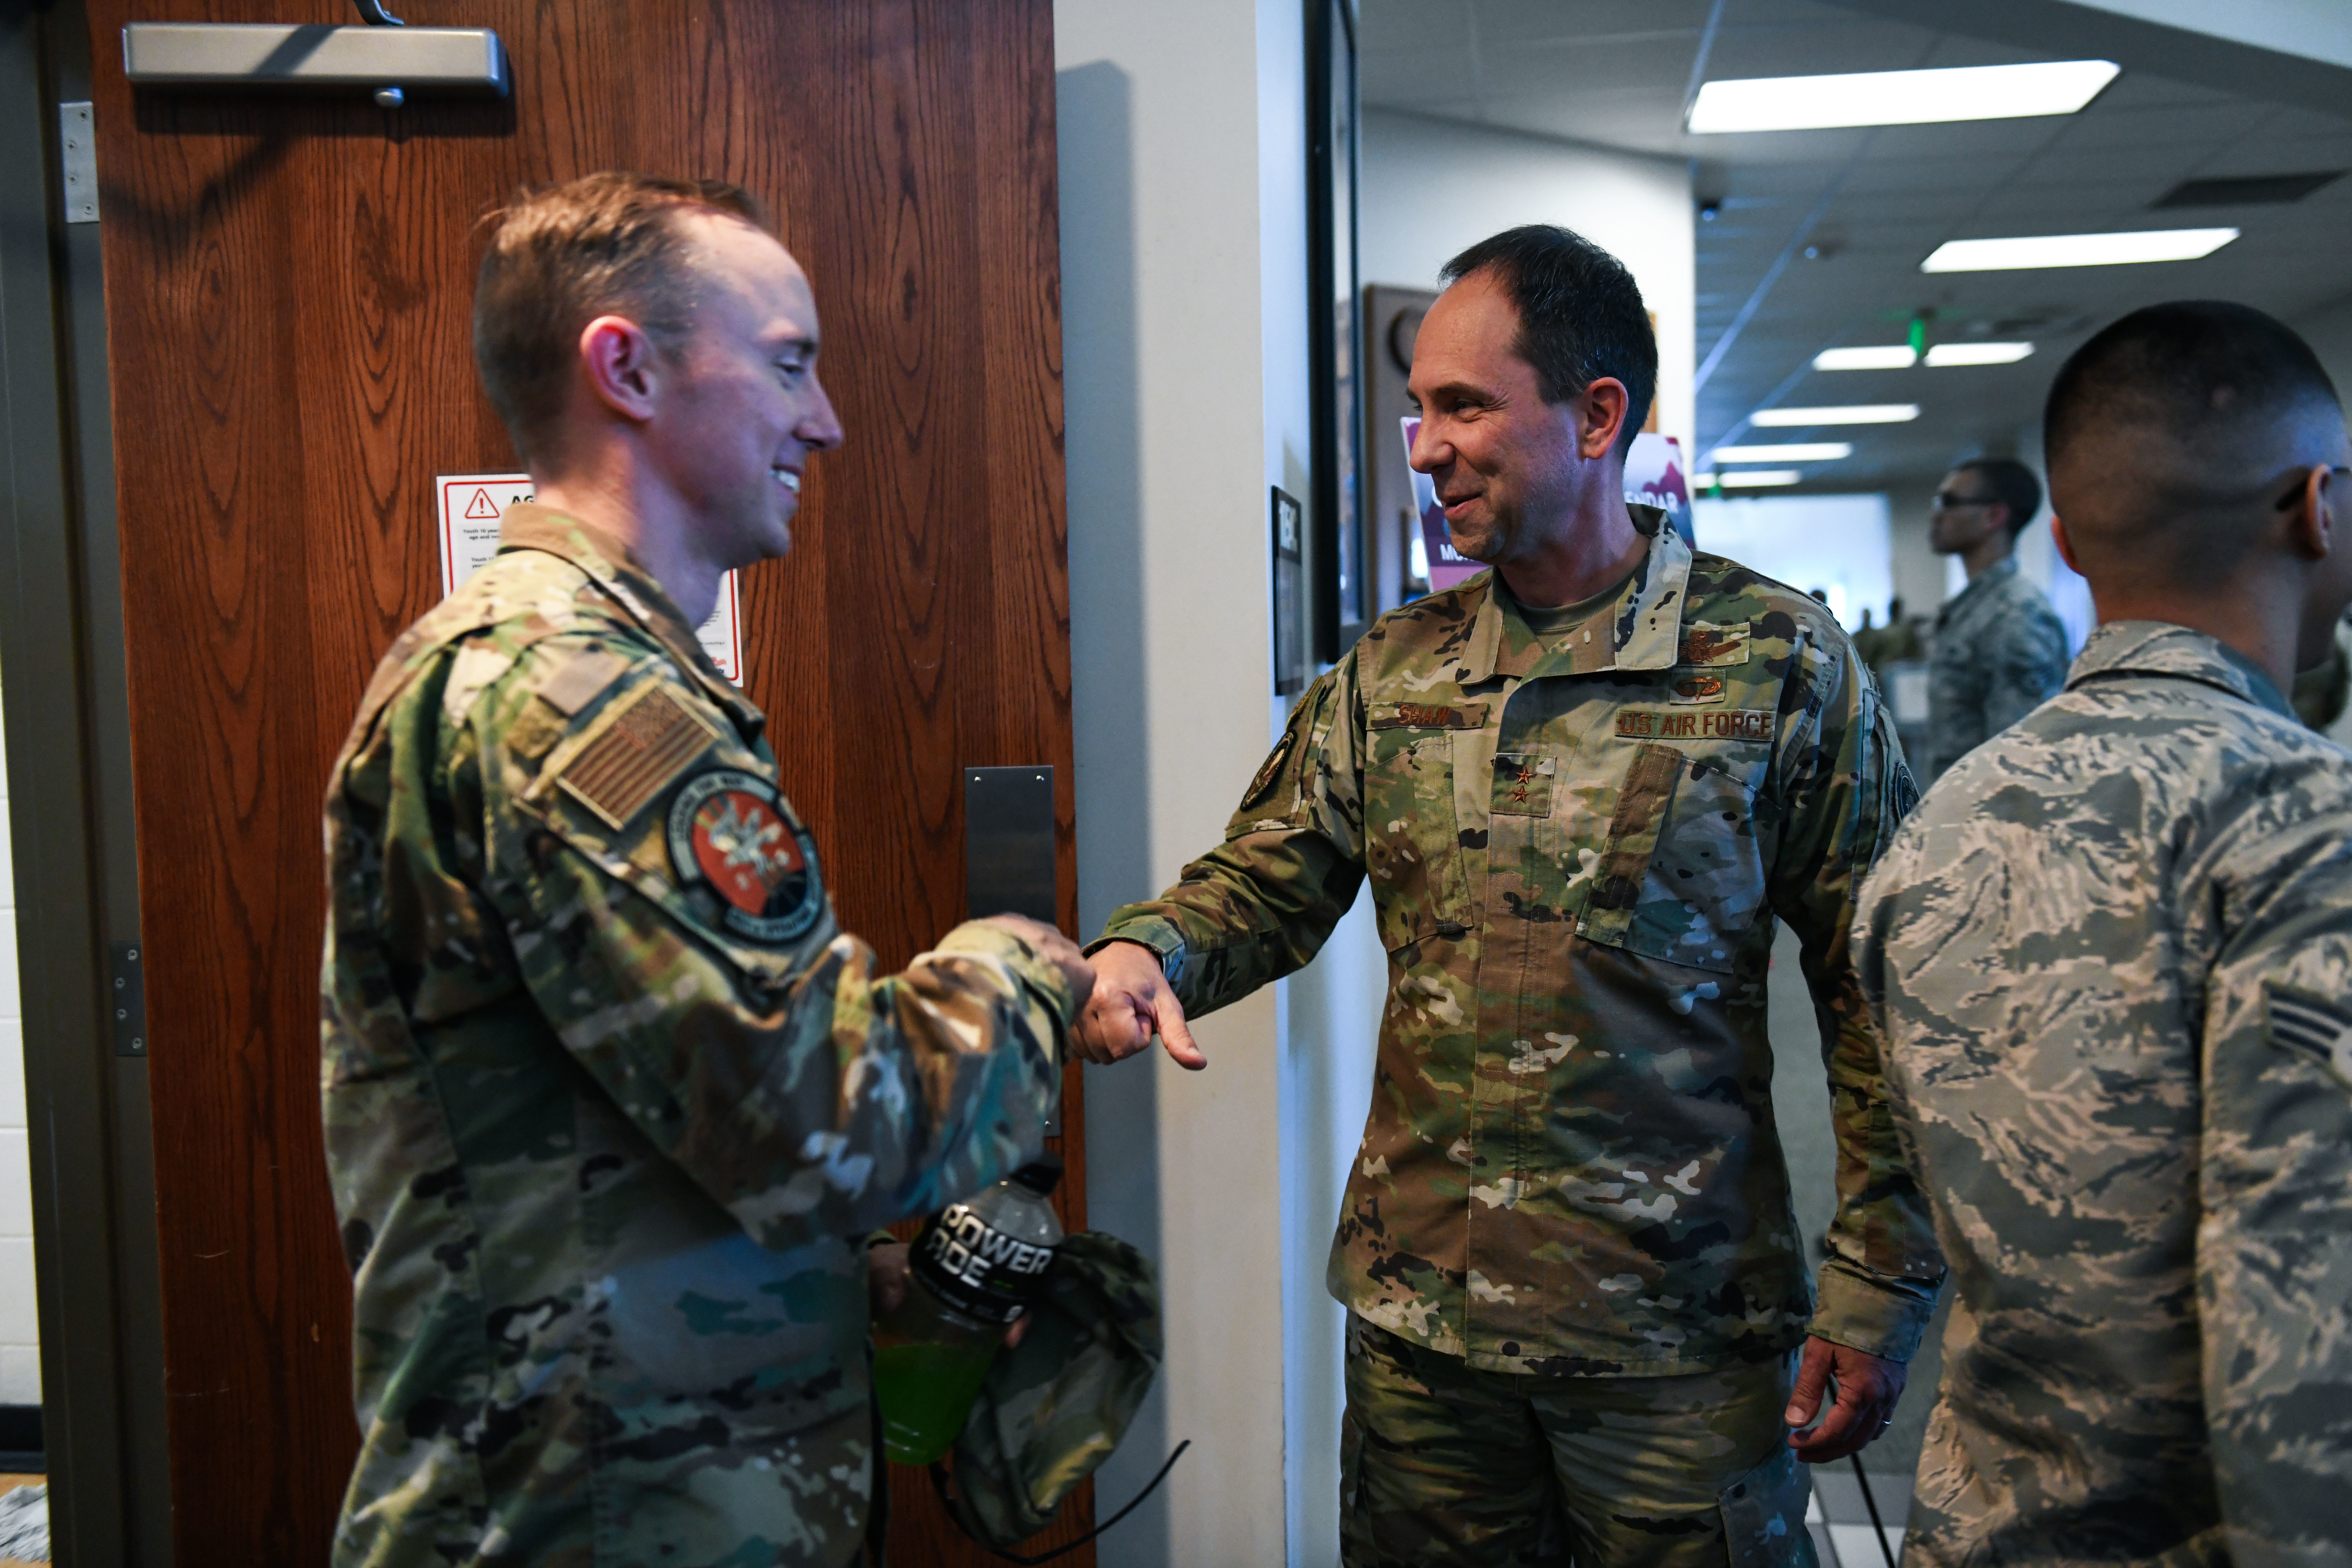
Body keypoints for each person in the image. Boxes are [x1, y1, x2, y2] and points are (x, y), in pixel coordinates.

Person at [1076, 224, 1944, 1566]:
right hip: (1426, 1342)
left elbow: (1882, 985)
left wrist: (1879, 1277)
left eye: (1463, 406)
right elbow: (1266, 876)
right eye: (1416, 408)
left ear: (1596, 415)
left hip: (1672, 1348)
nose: (1421, 447)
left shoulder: (1770, 659)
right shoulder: (1394, 670)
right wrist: (1151, 953)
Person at [318, 172, 1091, 1567]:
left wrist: (831, 1274)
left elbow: (619, 1119)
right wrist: (1023, 962)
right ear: (627, 366)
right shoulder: (567, 694)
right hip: (588, 1516)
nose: (826, 417)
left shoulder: (602, 675)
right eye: (790, 363)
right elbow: (825, 1122)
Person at [1854, 301, 2352, 1566]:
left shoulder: (1935, 830)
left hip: (1983, 1527)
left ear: (2064, 543)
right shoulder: (2301, 822)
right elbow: (2302, 1338)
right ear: (2320, 506)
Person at [1922, 457, 2070, 779]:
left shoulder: (2016, 615)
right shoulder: (1977, 608)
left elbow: (2023, 755)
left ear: (1994, 516)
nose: (1936, 515)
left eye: (1949, 503)